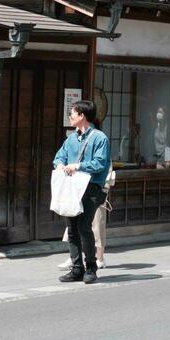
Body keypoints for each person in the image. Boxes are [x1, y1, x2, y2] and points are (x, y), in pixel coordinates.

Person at [54, 99, 112, 284]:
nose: (70, 116)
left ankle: (91, 268)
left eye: (72, 113)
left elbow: (99, 163)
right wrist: (61, 164)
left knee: (83, 226)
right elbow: (58, 157)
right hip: (72, 188)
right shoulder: (71, 138)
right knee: (72, 228)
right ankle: (77, 268)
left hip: (92, 188)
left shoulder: (99, 138)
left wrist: (77, 166)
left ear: (82, 116)